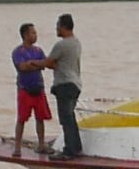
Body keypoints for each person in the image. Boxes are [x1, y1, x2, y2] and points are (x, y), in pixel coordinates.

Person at [9, 22, 54, 156]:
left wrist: (32, 64)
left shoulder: (38, 50)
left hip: (38, 87)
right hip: (25, 88)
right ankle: (17, 147)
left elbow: (45, 64)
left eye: (35, 33)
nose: (35, 35)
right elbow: (22, 67)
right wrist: (36, 64)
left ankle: (41, 144)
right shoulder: (18, 52)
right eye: (32, 33)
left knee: (40, 118)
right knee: (21, 119)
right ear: (25, 35)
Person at [49, 12, 86, 158]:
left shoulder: (61, 44)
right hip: (76, 84)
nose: (56, 28)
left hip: (64, 84)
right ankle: (76, 147)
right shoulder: (76, 42)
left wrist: (32, 63)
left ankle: (69, 151)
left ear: (64, 26)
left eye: (58, 25)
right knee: (70, 117)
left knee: (66, 119)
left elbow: (48, 62)